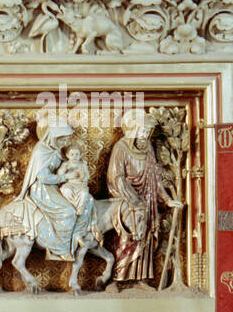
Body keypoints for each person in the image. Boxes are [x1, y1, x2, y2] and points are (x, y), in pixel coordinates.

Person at [108, 111, 182, 289]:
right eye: (143, 130)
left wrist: (167, 199)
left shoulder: (148, 149)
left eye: (148, 131)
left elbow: (155, 179)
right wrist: (132, 199)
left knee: (146, 240)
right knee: (128, 238)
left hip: (148, 201)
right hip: (128, 202)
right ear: (133, 128)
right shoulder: (121, 148)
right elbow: (116, 177)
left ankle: (141, 280)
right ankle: (120, 280)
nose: (146, 135)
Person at [17, 118, 92, 262]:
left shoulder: (55, 150)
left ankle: (78, 236)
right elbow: (43, 177)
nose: (64, 143)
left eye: (65, 140)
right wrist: (65, 176)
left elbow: (64, 164)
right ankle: (59, 250)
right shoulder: (41, 151)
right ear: (53, 137)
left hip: (56, 186)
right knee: (67, 212)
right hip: (42, 189)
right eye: (62, 139)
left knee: (87, 201)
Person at [58, 144, 93, 218]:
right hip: (69, 184)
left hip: (80, 184)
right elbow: (59, 174)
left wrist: (83, 176)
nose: (75, 156)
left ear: (80, 155)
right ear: (67, 155)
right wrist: (64, 170)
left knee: (84, 193)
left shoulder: (82, 164)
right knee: (66, 190)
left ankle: (80, 208)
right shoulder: (66, 164)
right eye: (72, 154)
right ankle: (70, 206)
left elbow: (87, 175)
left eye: (77, 154)